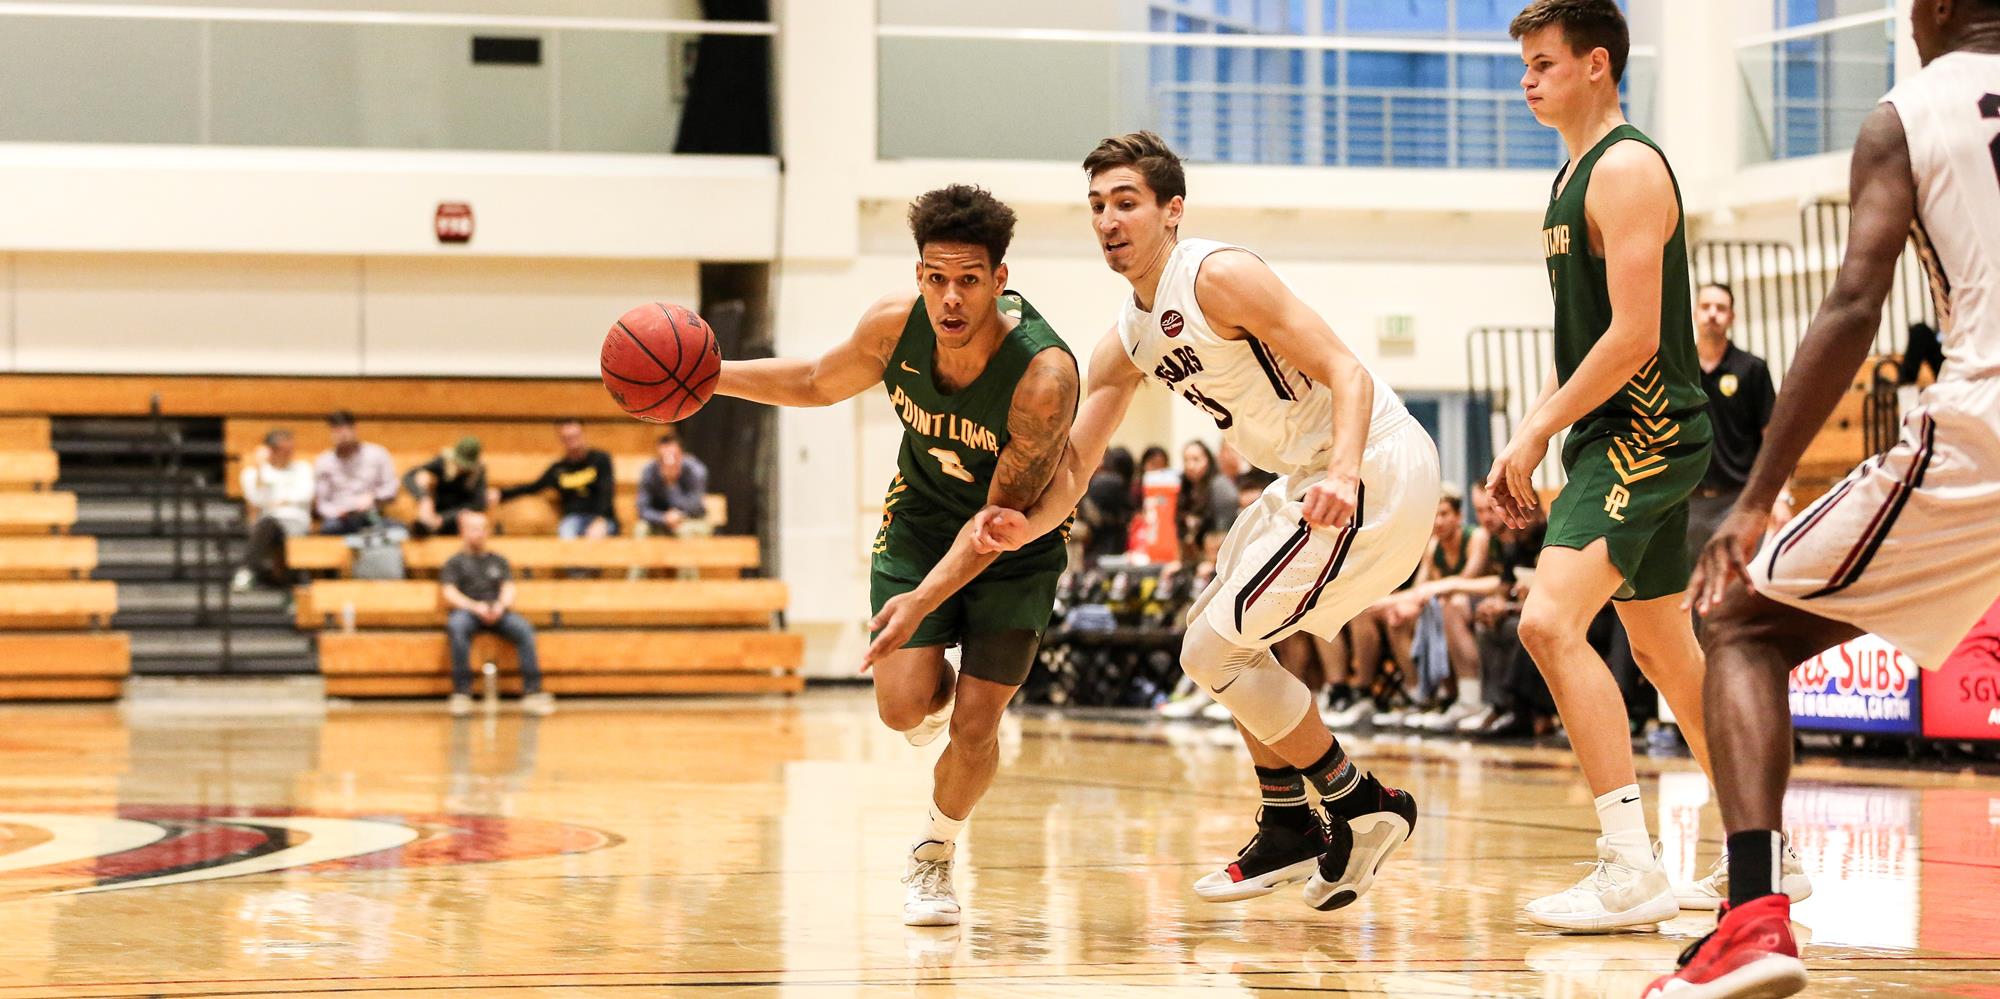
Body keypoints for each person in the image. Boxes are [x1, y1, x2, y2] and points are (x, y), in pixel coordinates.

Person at [899, 132, 1437, 913]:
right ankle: (1289, 819)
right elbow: (1076, 465)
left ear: (1171, 210)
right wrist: (1026, 524)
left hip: (1374, 465)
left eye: (1126, 203)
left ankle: (1359, 802)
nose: (1108, 221)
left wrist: (1347, 472)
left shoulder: (1218, 275)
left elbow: (1347, 371)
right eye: (1096, 206)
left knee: (1213, 649)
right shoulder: (1128, 338)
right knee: (1218, 631)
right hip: (1305, 479)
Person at [1656, 4, 2000, 996]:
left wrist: (1756, 496)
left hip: (1984, 426)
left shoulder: (1910, 113)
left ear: (1937, 9)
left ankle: (1753, 917)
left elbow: (1854, 302)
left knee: (1736, 619)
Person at [719, 185, 1079, 927]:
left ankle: (934, 854)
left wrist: (920, 603)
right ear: (918, 275)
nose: (951, 298)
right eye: (936, 278)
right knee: (902, 708)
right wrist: (711, 379)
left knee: (976, 726)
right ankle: (933, 674)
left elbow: (994, 525)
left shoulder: (1042, 379)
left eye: (969, 280)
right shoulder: (893, 327)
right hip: (918, 523)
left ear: (999, 280)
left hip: (1012, 544)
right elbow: (816, 382)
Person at [1487, 0, 1730, 933]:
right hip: (1610, 430)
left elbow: (1634, 338)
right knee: (1667, 653)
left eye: (1544, 63)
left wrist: (1535, 433)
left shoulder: (1626, 168)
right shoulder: (1569, 174)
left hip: (1646, 429)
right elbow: (1586, 339)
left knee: (1548, 621)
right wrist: (1534, 426)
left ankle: (1631, 866)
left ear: (1597, 64)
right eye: (1523, 65)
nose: (1527, 80)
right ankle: (1768, 846)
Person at [1689, 282, 1778, 567]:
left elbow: (1772, 437)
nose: (1712, 314)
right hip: (1688, 503)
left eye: (1720, 308)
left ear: (1731, 317)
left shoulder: (1752, 368)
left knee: (1741, 584)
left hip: (1738, 501)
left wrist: (1780, 496)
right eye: (1706, 307)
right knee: (1688, 589)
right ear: (1695, 314)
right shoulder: (1678, 370)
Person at [440, 511, 554, 718]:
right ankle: (462, 692)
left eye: (482, 529)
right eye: (474, 529)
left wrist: (501, 606)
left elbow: (508, 587)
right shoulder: (454, 562)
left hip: (497, 610)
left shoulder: (498, 561)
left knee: (524, 629)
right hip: (468, 611)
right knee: (456, 627)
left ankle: (532, 690)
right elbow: (449, 592)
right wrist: (475, 607)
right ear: (463, 532)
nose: (479, 533)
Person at [497, 420, 618, 539]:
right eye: (567, 438)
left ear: (583, 434)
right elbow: (533, 487)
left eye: (575, 436)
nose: (573, 442)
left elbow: (606, 491)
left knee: (596, 537)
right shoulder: (558, 469)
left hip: (602, 518)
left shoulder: (600, 459)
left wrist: (600, 520)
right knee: (566, 533)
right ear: (562, 440)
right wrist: (501, 494)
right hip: (573, 518)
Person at [233, 429, 315, 591]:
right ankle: (248, 573)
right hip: (268, 524)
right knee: (267, 523)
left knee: (272, 528)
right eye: (283, 450)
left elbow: (306, 494)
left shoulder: (302, 468)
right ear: (270, 450)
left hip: (296, 521)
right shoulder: (253, 473)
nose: (288, 454)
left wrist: (281, 501)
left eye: (290, 449)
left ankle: (248, 571)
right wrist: (260, 468)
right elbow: (256, 499)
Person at [313, 410, 399, 535]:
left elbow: (391, 488)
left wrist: (374, 497)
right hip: (340, 520)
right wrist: (336, 513)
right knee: (329, 529)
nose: (342, 435)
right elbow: (322, 503)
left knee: (399, 531)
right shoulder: (324, 461)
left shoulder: (377, 454)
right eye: (337, 430)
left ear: (355, 429)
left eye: (345, 430)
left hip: (371, 515)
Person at [403, 436, 488, 539]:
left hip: (457, 516)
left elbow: (479, 503)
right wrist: (423, 498)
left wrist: (444, 518)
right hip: (435, 510)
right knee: (422, 477)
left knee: (473, 515)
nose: (462, 468)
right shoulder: (443, 462)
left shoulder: (478, 471)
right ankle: (425, 527)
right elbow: (409, 476)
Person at [636, 427, 712, 537]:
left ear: (682, 455)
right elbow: (643, 509)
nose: (669, 461)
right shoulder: (649, 471)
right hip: (659, 520)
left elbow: (694, 506)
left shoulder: (696, 471)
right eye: (663, 458)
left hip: (691, 519)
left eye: (674, 456)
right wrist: (663, 518)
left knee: (684, 532)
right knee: (641, 529)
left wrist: (671, 484)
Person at [1177, 439, 1239, 561]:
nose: (1190, 466)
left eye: (1196, 459)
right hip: (1196, 556)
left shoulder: (1220, 486)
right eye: (1186, 460)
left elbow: (1223, 532)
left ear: (1208, 460)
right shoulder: (1187, 488)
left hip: (1220, 556)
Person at [1078, 446, 1137, 562]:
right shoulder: (1117, 483)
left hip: (1093, 548)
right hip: (1115, 545)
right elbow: (1129, 514)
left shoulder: (1095, 481)